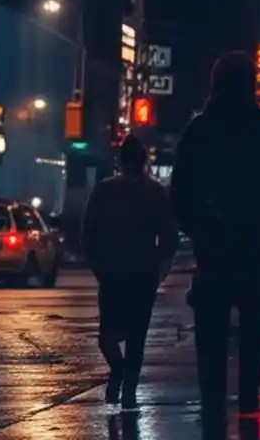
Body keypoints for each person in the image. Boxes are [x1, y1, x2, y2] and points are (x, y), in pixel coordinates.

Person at [171, 52, 260, 427]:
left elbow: (180, 194)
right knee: (254, 327)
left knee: (211, 332)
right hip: (257, 247)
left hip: (214, 248)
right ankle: (248, 398)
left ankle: (213, 401)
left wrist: (200, 228)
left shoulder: (199, 131)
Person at [82, 135, 178, 410]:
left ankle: (119, 371)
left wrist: (98, 264)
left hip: (112, 272)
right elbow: (169, 235)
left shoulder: (104, 191)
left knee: (108, 334)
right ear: (144, 161)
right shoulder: (156, 192)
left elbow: (88, 233)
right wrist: (159, 266)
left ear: (120, 160)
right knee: (137, 335)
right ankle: (129, 387)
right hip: (143, 273)